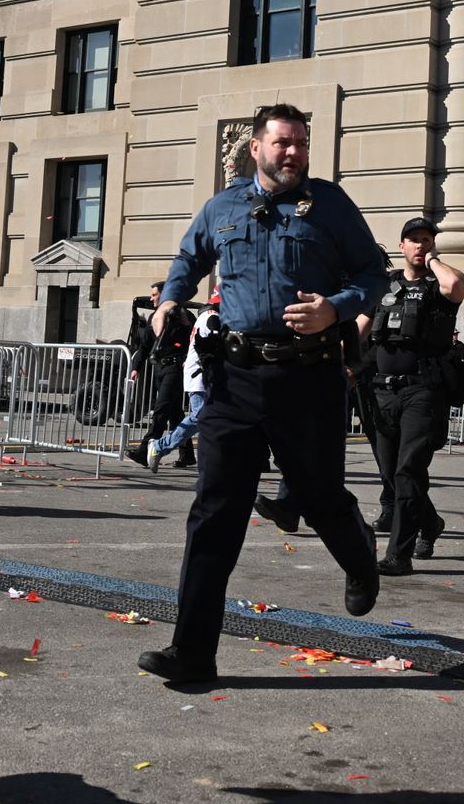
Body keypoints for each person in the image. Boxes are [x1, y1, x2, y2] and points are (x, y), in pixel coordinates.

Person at [134, 103, 387, 685]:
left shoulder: (331, 205)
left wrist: (334, 309)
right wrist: (170, 299)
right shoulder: (222, 207)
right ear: (256, 148)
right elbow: (190, 257)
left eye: (301, 143)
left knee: (320, 499)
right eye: (283, 143)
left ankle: (360, 557)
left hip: (308, 378)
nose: (294, 152)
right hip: (235, 379)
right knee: (214, 514)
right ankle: (192, 652)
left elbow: (373, 274)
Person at [358, 217, 464, 574]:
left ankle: (398, 555)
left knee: (408, 471)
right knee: (392, 474)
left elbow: (456, 285)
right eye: (414, 240)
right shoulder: (384, 286)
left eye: (426, 240)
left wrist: (433, 260)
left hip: (423, 392)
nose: (420, 244)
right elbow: (360, 328)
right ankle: (430, 523)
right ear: (401, 246)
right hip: (383, 392)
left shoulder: (439, 286)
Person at [147, 292, 223, 471]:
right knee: (201, 416)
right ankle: (159, 447)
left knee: (212, 417)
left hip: (202, 375)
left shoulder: (208, 316)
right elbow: (215, 346)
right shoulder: (213, 318)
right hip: (201, 376)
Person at [128, 283, 196, 469]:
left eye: (154, 294)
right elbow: (145, 345)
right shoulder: (154, 317)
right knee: (175, 414)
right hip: (159, 369)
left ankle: (145, 451)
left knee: (161, 410)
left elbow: (192, 340)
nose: (151, 298)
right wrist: (136, 367)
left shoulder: (183, 315)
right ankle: (187, 455)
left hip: (175, 369)